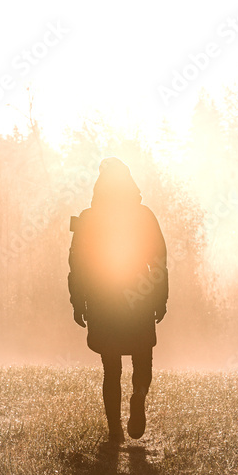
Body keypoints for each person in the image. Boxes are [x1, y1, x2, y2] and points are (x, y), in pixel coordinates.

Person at [68, 158, 168, 443]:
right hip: (140, 296)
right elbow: (159, 260)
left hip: (103, 299)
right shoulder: (144, 216)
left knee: (111, 369)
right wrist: (160, 297)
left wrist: (78, 301)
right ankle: (138, 397)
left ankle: (114, 430)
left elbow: (77, 263)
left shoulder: (88, 218)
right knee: (142, 359)